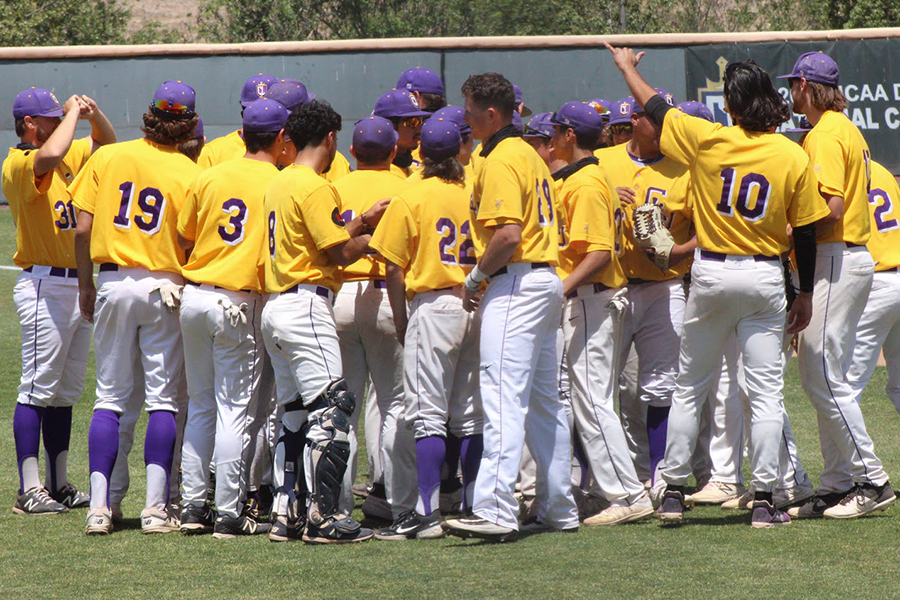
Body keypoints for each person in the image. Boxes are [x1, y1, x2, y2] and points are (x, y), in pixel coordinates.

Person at [605, 43, 829, 528]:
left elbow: (654, 106)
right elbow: (807, 232)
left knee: (690, 386)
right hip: (764, 275)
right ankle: (766, 499)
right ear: (769, 99)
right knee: (765, 393)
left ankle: (672, 492)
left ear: (729, 105)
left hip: (710, 272)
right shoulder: (790, 153)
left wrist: (625, 68)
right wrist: (807, 292)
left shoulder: (708, 138)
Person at [442, 73, 579, 542]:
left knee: (503, 399)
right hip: (543, 281)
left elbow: (507, 235)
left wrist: (475, 278)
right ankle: (559, 507)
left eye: (470, 110)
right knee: (544, 404)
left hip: (517, 282)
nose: (466, 117)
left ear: (491, 113)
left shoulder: (501, 156)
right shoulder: (527, 154)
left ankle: (496, 510)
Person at [71, 80, 201, 535]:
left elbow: (82, 230)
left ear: (150, 114)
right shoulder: (190, 173)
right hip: (165, 287)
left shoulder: (109, 156)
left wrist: (85, 284)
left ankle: (100, 508)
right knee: (163, 401)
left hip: (113, 280)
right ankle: (155, 509)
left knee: (109, 398)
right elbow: (190, 242)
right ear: (188, 124)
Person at [261, 100, 384, 544]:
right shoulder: (315, 186)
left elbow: (318, 240)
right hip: (306, 307)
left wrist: (360, 222)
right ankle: (324, 518)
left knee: (294, 415)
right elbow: (339, 253)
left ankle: (286, 514)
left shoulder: (281, 180)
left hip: (278, 306)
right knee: (332, 410)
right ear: (330, 138)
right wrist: (375, 236)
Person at [781, 51, 895, 519]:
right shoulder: (843, 128)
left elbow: (829, 209)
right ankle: (836, 483)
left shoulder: (826, 134)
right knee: (826, 375)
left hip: (836, 257)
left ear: (806, 86)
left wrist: (786, 233)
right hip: (849, 258)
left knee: (823, 375)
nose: (791, 91)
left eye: (794, 84)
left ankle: (871, 479)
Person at [176, 98, 289, 538]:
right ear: (281, 138)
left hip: (195, 296)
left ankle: (191, 506)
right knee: (234, 410)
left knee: (201, 406)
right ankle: (227, 511)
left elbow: (185, 235)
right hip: (238, 302)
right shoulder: (279, 182)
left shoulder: (211, 174)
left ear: (244, 133)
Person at [370, 118, 483, 540]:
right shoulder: (474, 191)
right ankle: (473, 506)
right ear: (458, 152)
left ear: (421, 153)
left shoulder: (411, 194)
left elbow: (393, 268)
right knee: (470, 416)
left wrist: (401, 321)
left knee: (427, 415)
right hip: (476, 301)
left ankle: (425, 514)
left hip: (434, 306)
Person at [3, 87, 115, 515]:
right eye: (49, 117)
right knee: (36, 388)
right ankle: (28, 488)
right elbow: (48, 155)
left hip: (77, 283)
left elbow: (106, 143)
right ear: (30, 123)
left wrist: (93, 113)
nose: (57, 120)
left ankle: (57, 482)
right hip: (44, 286)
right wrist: (70, 115)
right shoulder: (18, 162)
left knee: (65, 394)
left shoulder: (69, 149)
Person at [551, 101, 654, 526]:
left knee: (593, 402)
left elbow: (598, 254)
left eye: (556, 131)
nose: (551, 138)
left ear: (570, 135)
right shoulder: (588, 177)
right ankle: (616, 489)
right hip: (592, 299)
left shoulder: (588, 183)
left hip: (592, 298)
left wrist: (558, 291)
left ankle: (629, 494)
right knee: (591, 400)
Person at [595, 90, 694, 502]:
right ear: (635, 120)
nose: (665, 127)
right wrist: (605, 200)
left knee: (662, 387)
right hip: (610, 288)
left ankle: (660, 478)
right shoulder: (601, 161)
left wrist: (677, 251)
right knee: (597, 388)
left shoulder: (684, 169)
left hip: (664, 287)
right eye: (657, 119)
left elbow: (707, 227)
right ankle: (597, 481)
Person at [331, 116, 414, 523]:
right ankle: (395, 501)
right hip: (386, 295)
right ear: (394, 151)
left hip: (339, 298)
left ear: (352, 151)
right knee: (395, 402)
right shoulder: (406, 185)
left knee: (342, 407)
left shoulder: (335, 185)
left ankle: (339, 506)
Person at [846, 159, 900, 414]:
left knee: (846, 386)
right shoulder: (882, 171)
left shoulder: (840, 173)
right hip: (895, 276)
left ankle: (851, 443)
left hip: (874, 285)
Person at [372, 89, 430, 178]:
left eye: (420, 121)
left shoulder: (406, 168)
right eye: (412, 122)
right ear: (390, 126)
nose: (419, 130)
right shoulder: (383, 174)